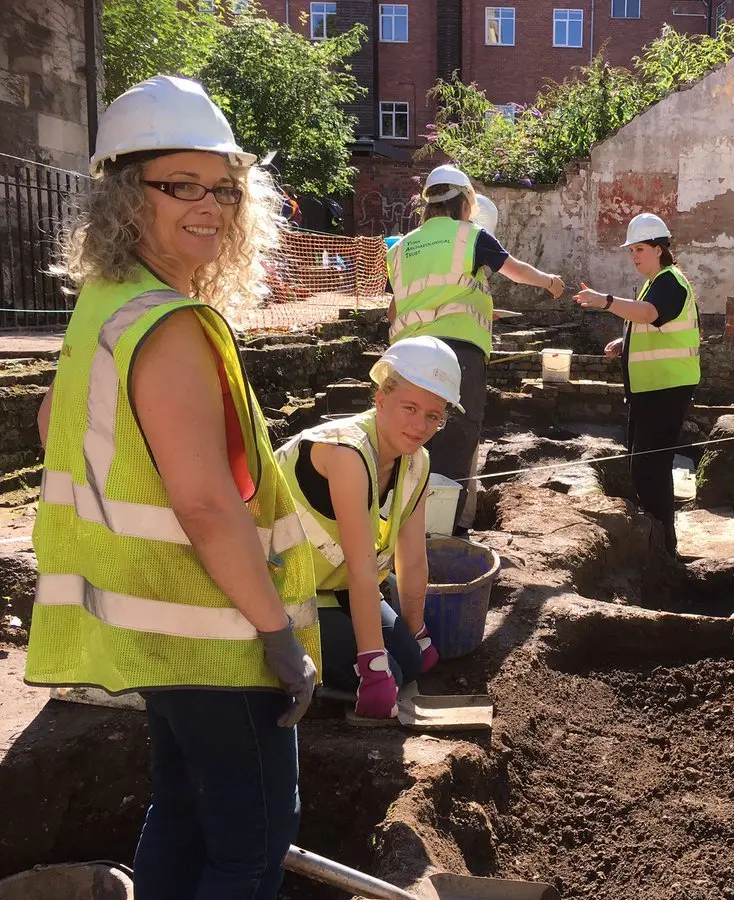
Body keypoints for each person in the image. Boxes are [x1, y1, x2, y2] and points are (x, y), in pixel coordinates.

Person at [25, 75, 318, 898]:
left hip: (154, 627)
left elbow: (57, 423)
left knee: (184, 812)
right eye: (178, 185)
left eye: (223, 188)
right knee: (252, 845)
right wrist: (279, 638)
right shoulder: (172, 326)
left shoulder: (106, 306)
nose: (209, 206)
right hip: (216, 634)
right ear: (126, 195)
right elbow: (202, 504)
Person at [275, 337, 462, 718]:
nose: (420, 425)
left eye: (432, 416)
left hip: (334, 587)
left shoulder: (415, 463)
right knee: (387, 671)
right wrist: (373, 666)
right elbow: (362, 569)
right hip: (281, 592)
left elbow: (413, 559)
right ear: (380, 400)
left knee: (408, 662)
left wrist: (416, 630)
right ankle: (281, 677)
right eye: (409, 408)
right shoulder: (345, 451)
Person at [386, 164, 565, 531]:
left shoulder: (402, 248)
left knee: (406, 438)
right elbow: (515, 270)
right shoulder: (471, 236)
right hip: (457, 355)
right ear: (466, 203)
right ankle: (444, 537)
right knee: (454, 437)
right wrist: (550, 283)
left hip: (406, 356)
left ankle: (399, 531)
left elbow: (398, 307)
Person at [572, 213, 701, 557]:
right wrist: (624, 341)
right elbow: (650, 323)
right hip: (650, 389)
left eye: (640, 249)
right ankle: (656, 533)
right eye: (632, 251)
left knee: (651, 468)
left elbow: (648, 314)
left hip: (666, 389)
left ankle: (663, 543)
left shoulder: (671, 282)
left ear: (659, 249)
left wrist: (606, 302)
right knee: (641, 464)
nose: (635, 256)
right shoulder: (655, 282)